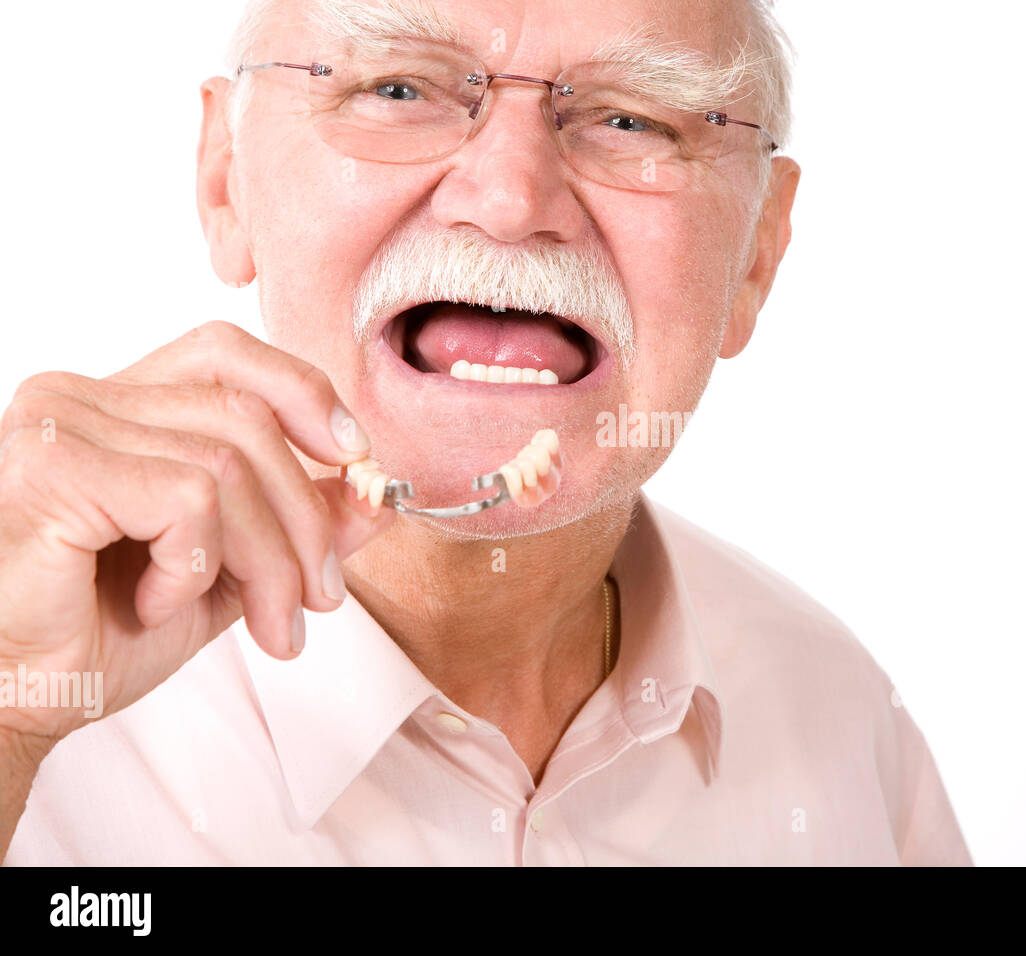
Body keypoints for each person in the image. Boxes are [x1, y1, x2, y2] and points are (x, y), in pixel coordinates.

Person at [0, 0, 972, 865]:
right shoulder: (28, 685)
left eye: (631, 116)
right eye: (397, 87)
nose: (509, 202)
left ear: (757, 252)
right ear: (225, 182)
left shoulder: (840, 721)